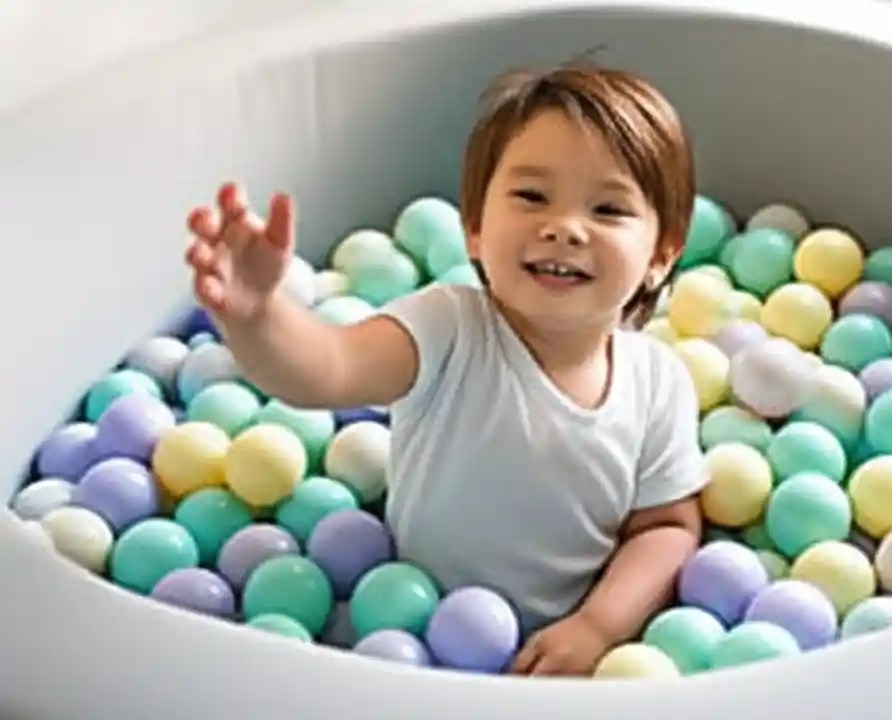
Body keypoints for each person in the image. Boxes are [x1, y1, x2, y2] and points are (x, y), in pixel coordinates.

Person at [182, 62, 707, 677]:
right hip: (402, 630)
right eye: (532, 196)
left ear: (661, 257)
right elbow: (329, 368)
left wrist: (597, 626)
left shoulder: (658, 383)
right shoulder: (450, 328)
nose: (564, 227)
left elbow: (667, 526)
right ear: (476, 230)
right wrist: (258, 316)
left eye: (608, 209)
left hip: (558, 663)